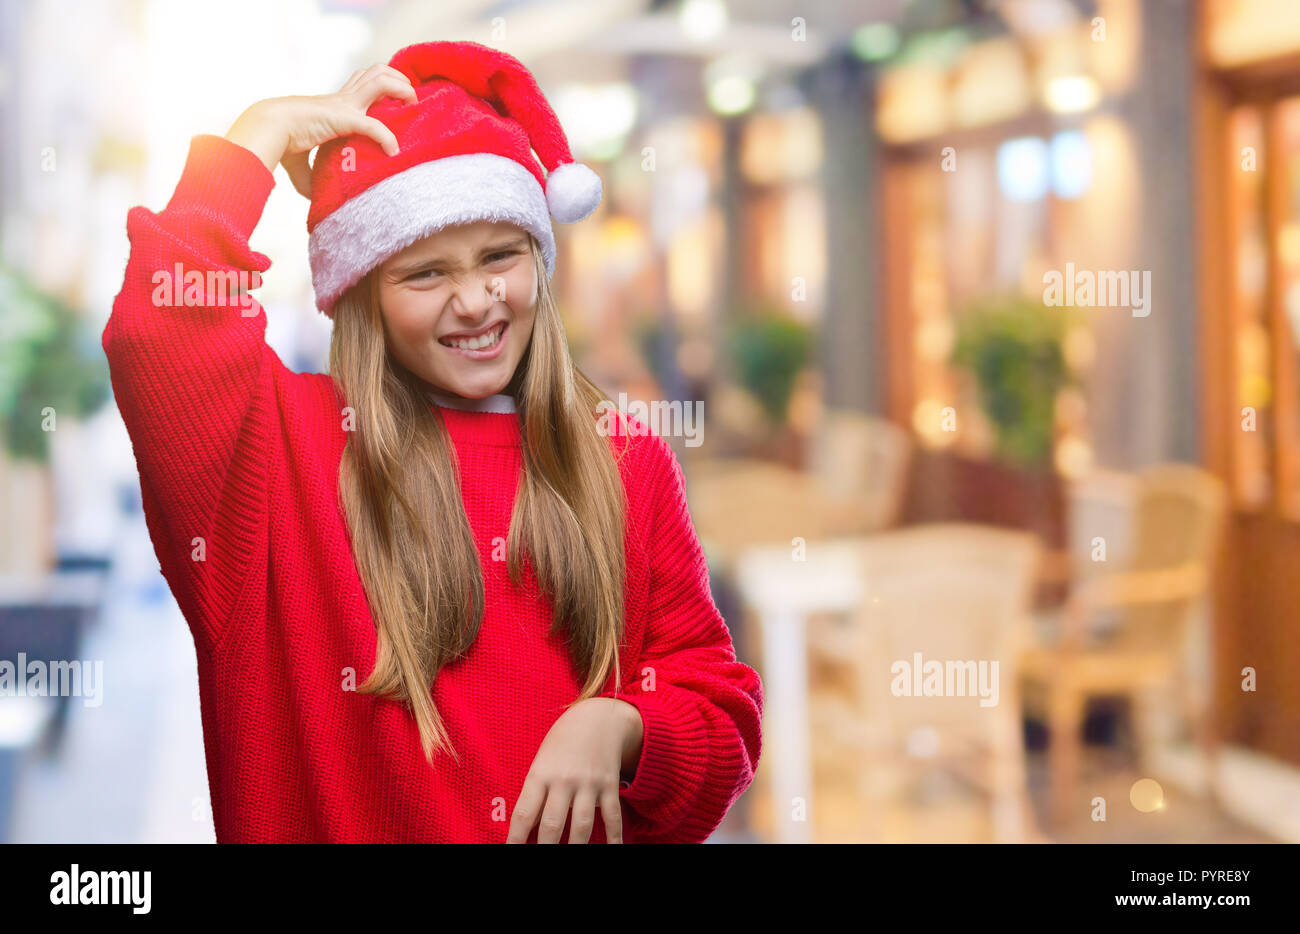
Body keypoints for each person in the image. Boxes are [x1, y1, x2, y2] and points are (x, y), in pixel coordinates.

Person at [101, 39, 763, 843]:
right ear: (363, 296)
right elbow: (157, 333)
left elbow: (721, 722)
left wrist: (624, 726)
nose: (477, 300)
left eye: (501, 256)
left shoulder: (621, 456)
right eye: (425, 274)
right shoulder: (278, 455)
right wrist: (255, 138)